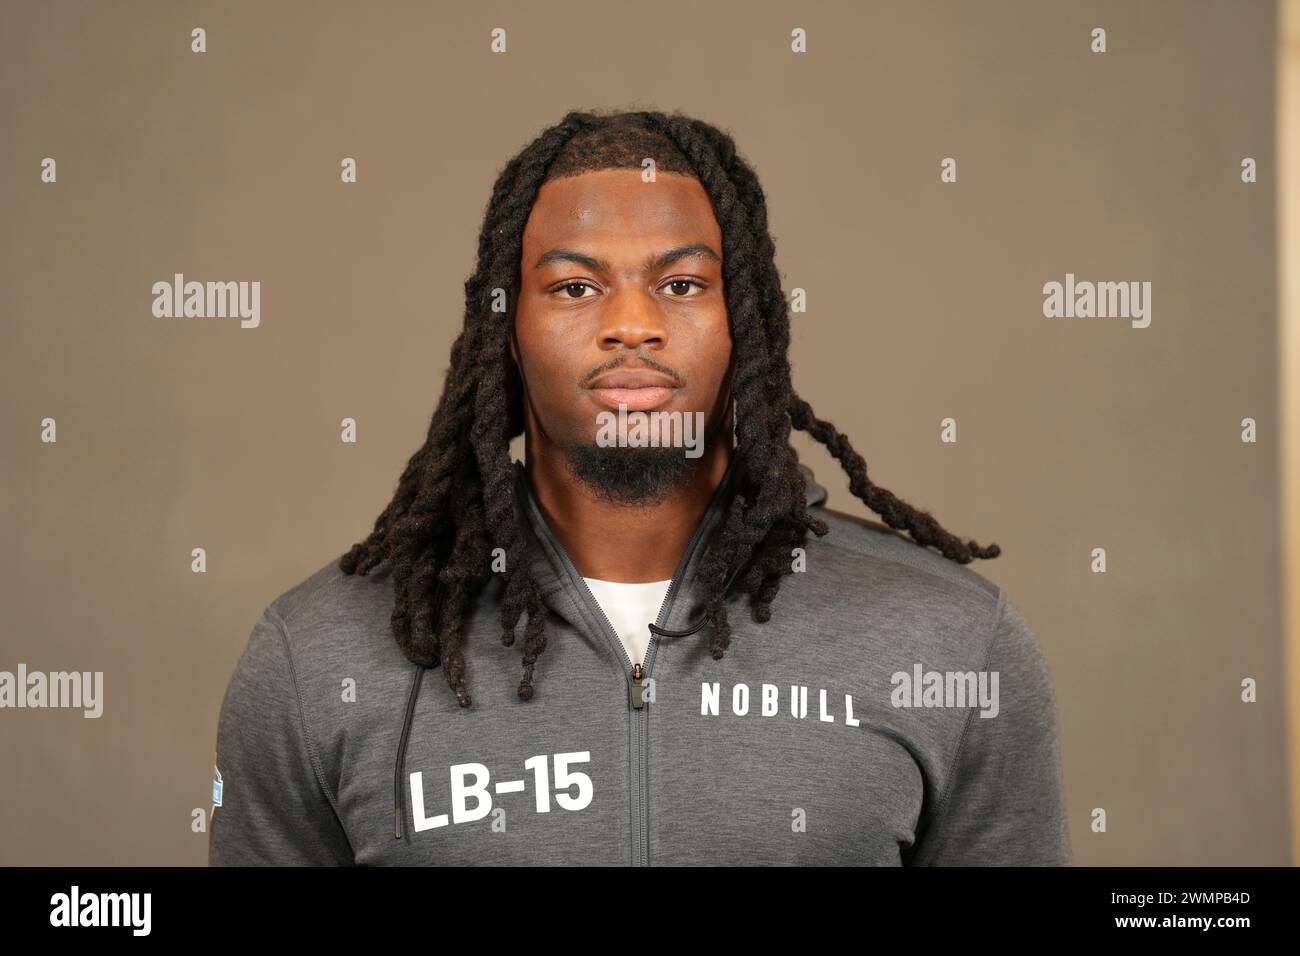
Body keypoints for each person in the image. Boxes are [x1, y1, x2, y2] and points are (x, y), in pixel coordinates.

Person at [209, 108, 1071, 866]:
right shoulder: (319, 656)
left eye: (682, 284)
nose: (631, 324)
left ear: (749, 324)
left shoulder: (950, 644)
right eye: (576, 286)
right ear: (505, 334)